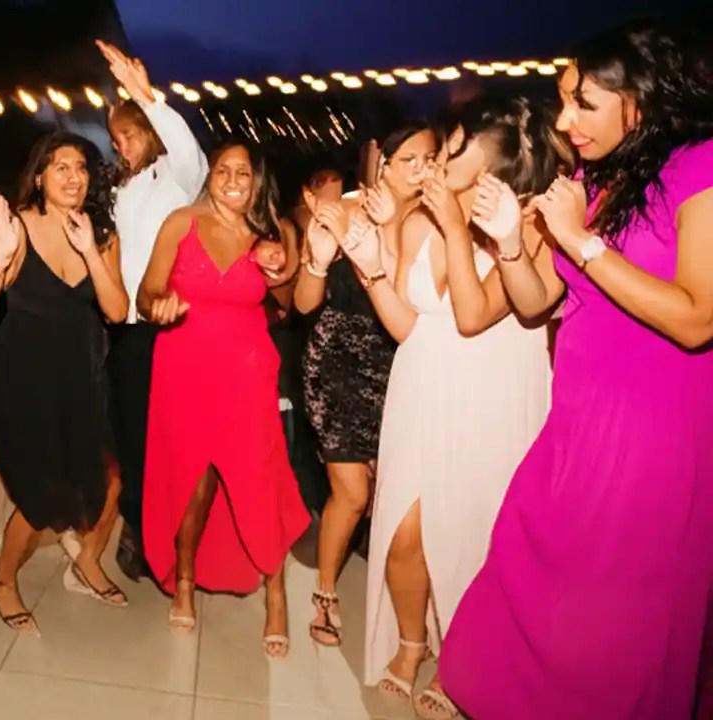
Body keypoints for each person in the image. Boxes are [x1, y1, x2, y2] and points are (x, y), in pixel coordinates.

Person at [439, 22, 713, 718]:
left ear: (640, 100)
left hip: (655, 436)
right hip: (578, 424)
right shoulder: (598, 179)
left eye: (584, 103)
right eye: (563, 101)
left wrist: (581, 242)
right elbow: (537, 303)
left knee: (621, 626)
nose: (565, 121)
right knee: (527, 574)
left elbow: (695, 318)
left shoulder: (701, 166)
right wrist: (508, 245)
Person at [348, 96, 565, 718]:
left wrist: (451, 223)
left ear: (497, 161)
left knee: (480, 535)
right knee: (401, 535)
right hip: (422, 384)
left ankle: (466, 660)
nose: (439, 160)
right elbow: (407, 326)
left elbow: (473, 317)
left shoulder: (527, 226)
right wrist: (372, 267)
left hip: (492, 391)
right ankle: (412, 640)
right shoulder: (419, 218)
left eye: (454, 148)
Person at [139, 140, 310, 658]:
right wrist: (159, 306)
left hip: (247, 373)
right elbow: (145, 295)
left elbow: (289, 304)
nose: (233, 179)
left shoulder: (274, 230)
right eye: (223, 170)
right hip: (182, 370)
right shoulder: (179, 223)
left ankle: (276, 597)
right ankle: (186, 581)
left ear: (258, 180)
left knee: (258, 478)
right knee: (195, 480)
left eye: (244, 172)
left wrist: (278, 267)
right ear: (210, 175)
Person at [0, 132, 129, 635]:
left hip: (81, 376)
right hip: (24, 381)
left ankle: (88, 561)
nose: (74, 176)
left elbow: (117, 311)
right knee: (40, 495)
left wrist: (92, 252)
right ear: (39, 175)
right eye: (61, 167)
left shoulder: (101, 233)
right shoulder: (15, 228)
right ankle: (5, 580)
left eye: (81, 167)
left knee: (108, 479)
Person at [295, 124, 436, 648]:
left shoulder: (438, 222)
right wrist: (315, 255)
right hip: (338, 363)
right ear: (383, 164)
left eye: (431, 159)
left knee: (388, 495)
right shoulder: (347, 213)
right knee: (351, 494)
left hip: (403, 363)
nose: (422, 170)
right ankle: (326, 594)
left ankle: (397, 591)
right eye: (410, 160)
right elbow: (305, 304)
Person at [96, 39, 208, 581]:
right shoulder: (121, 189)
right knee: (131, 440)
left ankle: (177, 539)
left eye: (131, 134)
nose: (122, 145)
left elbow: (184, 145)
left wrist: (149, 97)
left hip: (173, 327)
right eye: (116, 138)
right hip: (127, 333)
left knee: (174, 440)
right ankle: (140, 531)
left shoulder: (179, 178)